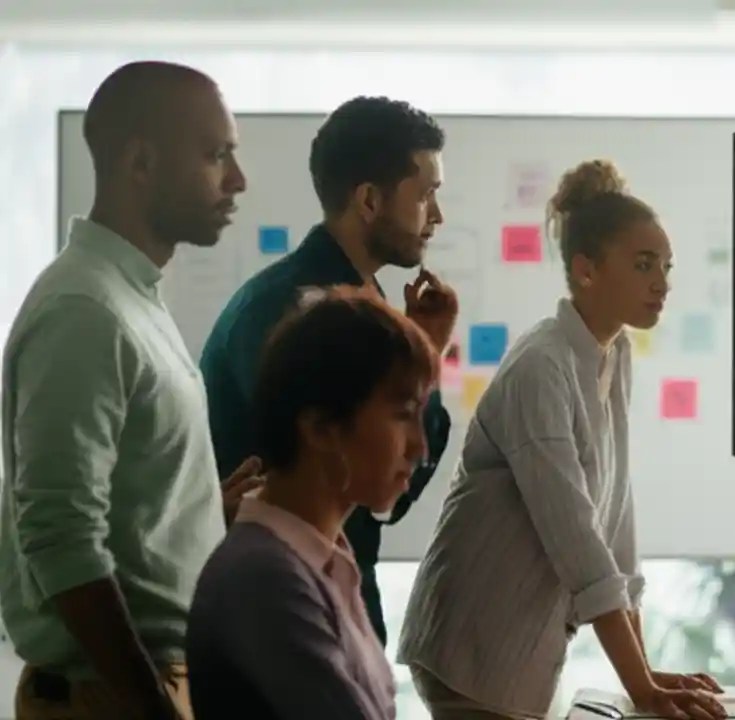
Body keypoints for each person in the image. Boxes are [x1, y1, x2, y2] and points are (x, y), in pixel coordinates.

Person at [397, 160, 726, 720]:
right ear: (587, 270)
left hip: (520, 640)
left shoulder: (613, 355)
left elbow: (615, 525)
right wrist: (640, 688)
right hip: (470, 642)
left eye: (666, 267)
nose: (662, 283)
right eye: (644, 265)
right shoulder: (541, 365)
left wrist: (644, 674)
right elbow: (576, 541)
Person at [0, 61, 262, 720]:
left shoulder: (131, 296)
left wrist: (198, 515)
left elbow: (112, 509)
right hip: (111, 696)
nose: (237, 180)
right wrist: (150, 706)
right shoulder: (85, 309)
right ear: (140, 161)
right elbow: (60, 535)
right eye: (215, 155)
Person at [199, 95, 457, 645]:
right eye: (426, 194)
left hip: (335, 613)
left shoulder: (367, 307)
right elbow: (337, 482)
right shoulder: (286, 313)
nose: (436, 216)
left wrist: (420, 357)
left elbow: (392, 490)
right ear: (369, 199)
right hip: (283, 625)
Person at [187, 286, 437, 720]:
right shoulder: (265, 575)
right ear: (321, 429)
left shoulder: (321, 555)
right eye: (402, 415)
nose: (420, 447)